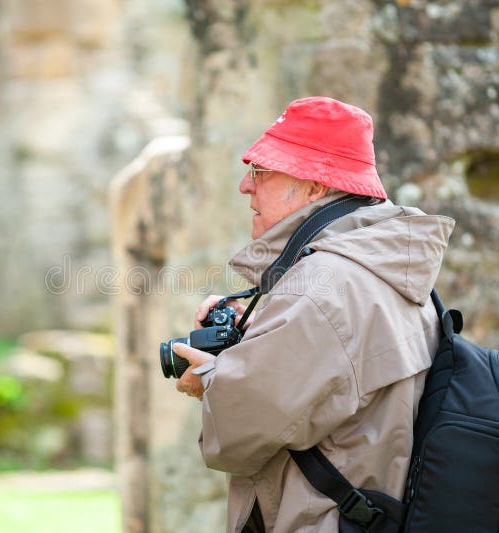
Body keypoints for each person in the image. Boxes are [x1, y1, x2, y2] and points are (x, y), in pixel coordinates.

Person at [172, 97, 455, 532]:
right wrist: (256, 338)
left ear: (315, 186)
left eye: (260, 172)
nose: (246, 187)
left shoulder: (322, 287)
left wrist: (208, 380)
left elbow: (236, 439)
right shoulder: (381, 265)